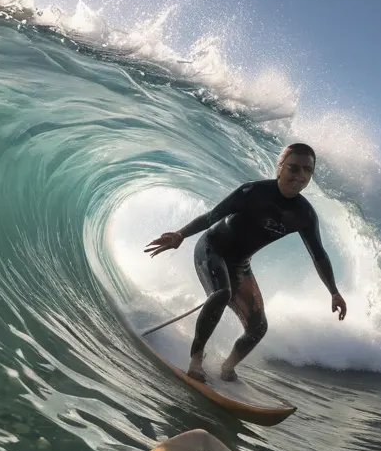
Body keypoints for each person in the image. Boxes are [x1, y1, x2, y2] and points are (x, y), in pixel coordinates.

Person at [145, 143, 347, 382]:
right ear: (280, 168)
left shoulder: (305, 215)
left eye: (307, 171)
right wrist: (181, 234)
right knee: (221, 293)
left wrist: (334, 292)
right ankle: (196, 360)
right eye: (293, 168)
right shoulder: (251, 192)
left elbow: (319, 255)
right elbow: (212, 217)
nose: (300, 176)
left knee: (258, 328)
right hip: (212, 249)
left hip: (240, 264)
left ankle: (227, 368)